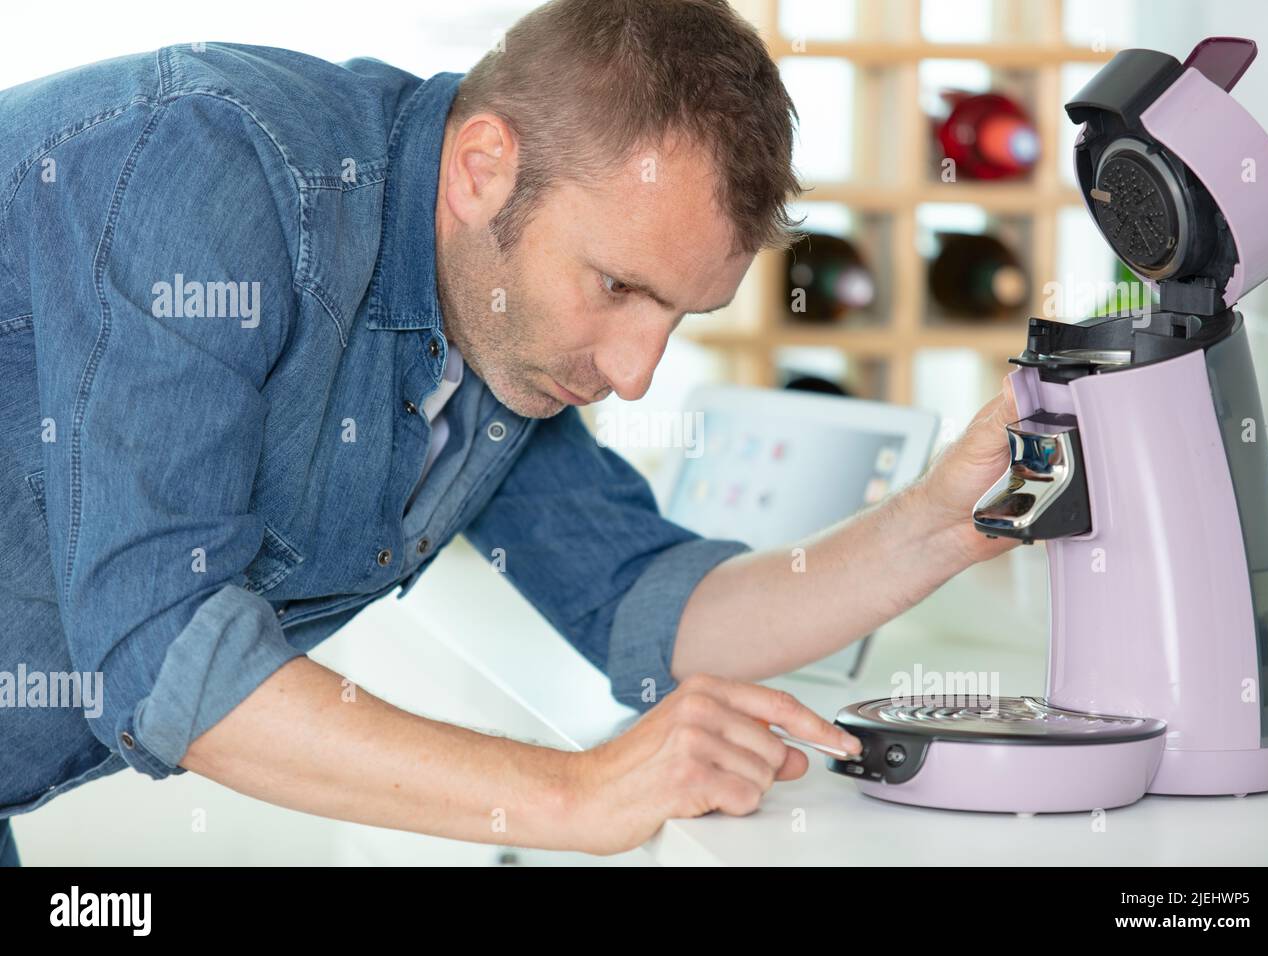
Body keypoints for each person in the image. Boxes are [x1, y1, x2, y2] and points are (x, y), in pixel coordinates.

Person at [0, 0, 1017, 863]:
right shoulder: (211, 164)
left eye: (678, 317)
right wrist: (579, 793)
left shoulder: (493, 330)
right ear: (483, 166)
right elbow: (163, 646)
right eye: (617, 286)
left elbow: (642, 606)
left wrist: (940, 520)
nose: (632, 371)